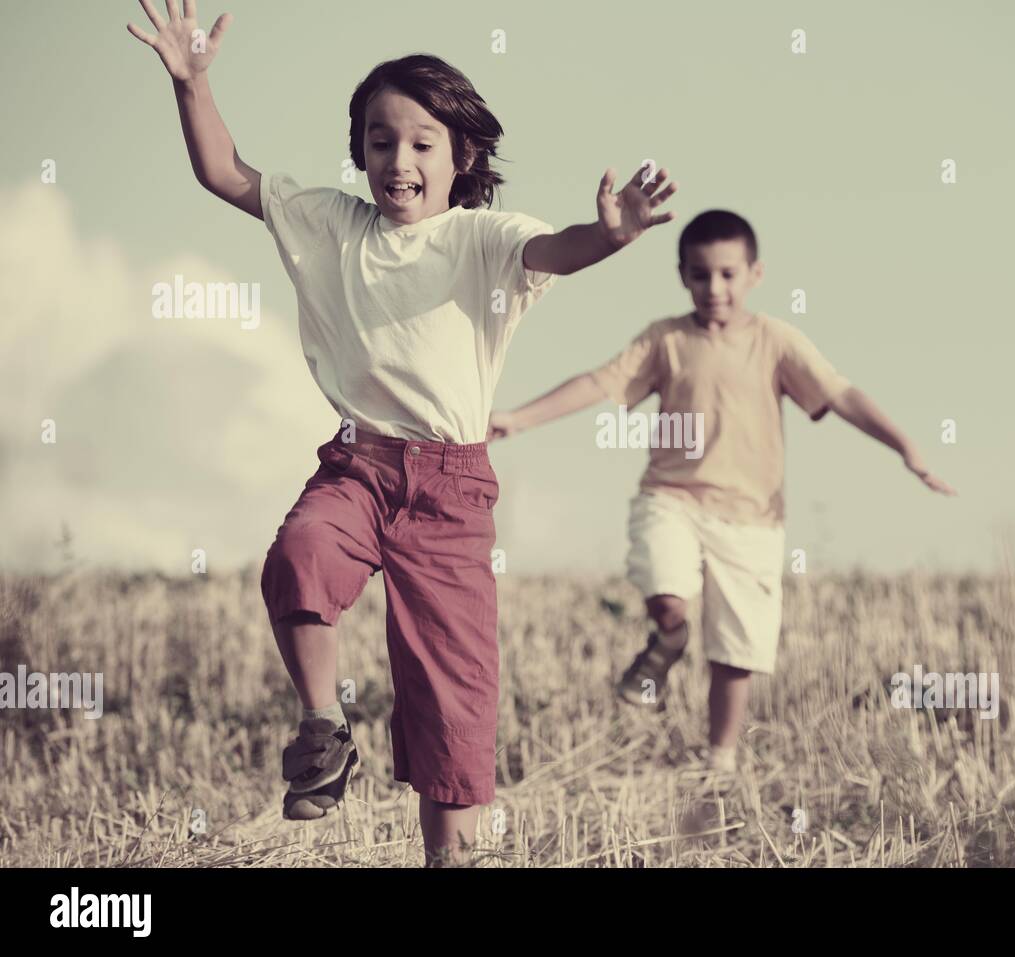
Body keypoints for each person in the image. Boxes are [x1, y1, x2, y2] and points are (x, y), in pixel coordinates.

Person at [128, 0, 677, 865]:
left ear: (463, 156)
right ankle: (322, 727)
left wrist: (612, 235)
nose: (399, 159)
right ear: (359, 153)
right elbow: (226, 174)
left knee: (453, 718)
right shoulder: (330, 225)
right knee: (301, 554)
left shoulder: (486, 240)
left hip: (452, 491)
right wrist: (193, 84)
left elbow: (561, 250)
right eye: (380, 141)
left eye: (423, 142)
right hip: (359, 462)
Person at [489, 209, 955, 775]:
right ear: (683, 275)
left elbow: (841, 394)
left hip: (753, 518)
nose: (716, 288)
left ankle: (720, 760)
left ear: (755, 274)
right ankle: (669, 637)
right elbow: (599, 383)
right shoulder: (666, 339)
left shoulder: (777, 342)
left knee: (737, 650)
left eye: (729, 274)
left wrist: (904, 445)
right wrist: (520, 418)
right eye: (702, 274)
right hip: (672, 499)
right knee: (666, 591)